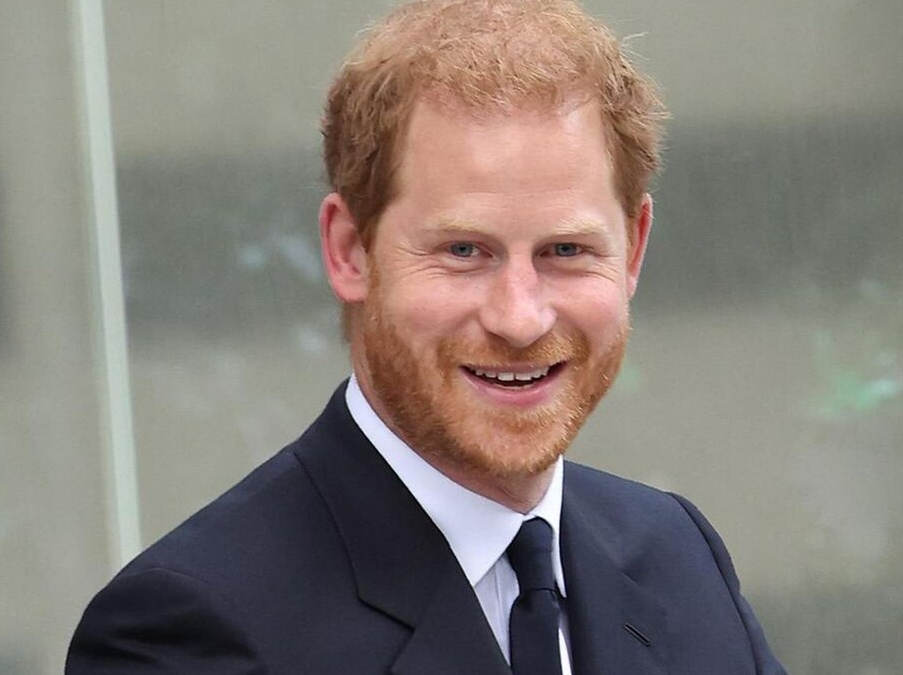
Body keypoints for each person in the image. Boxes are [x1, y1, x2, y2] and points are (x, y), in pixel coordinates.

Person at [66, 0, 787, 673]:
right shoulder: (192, 631)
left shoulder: (679, 557)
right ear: (350, 249)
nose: (520, 317)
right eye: (464, 251)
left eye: (565, 251)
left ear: (633, 250)